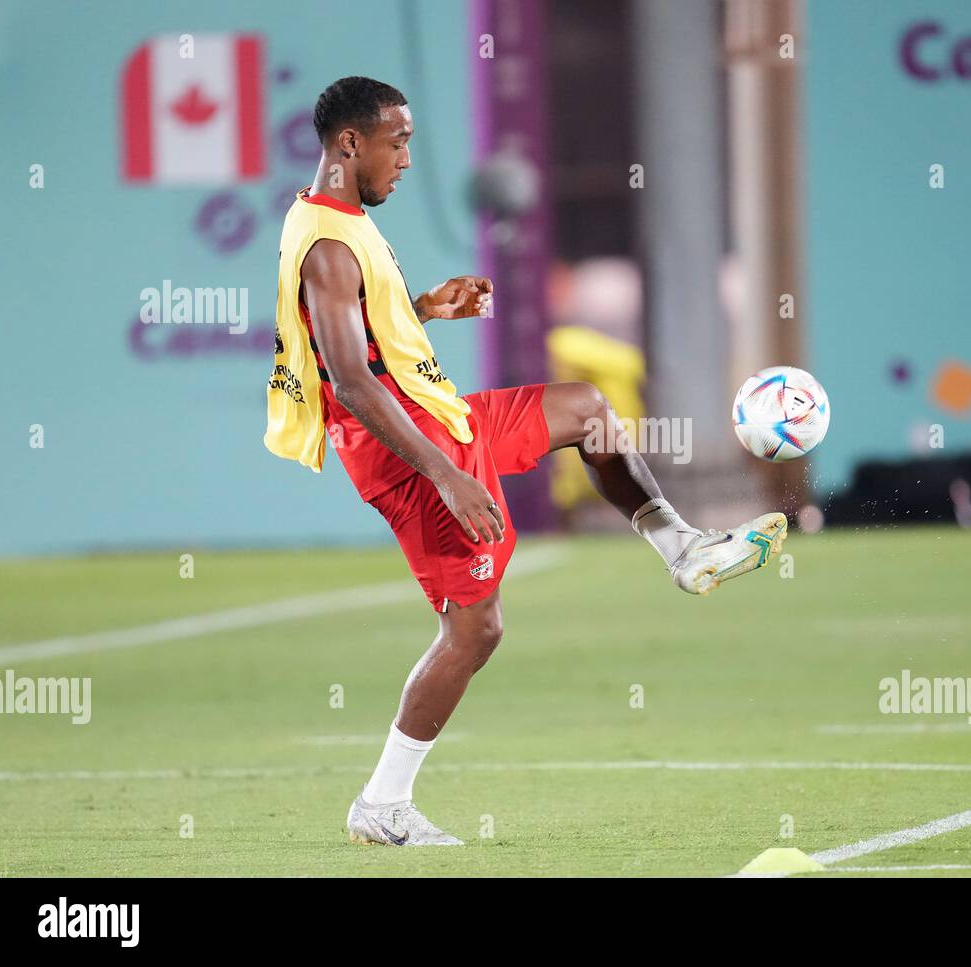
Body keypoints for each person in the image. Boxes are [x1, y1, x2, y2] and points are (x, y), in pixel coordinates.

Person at [264, 76, 787, 846]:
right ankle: (382, 803)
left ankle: (682, 548)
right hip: (406, 454)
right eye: (397, 140)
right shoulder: (330, 247)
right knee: (475, 631)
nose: (408, 157)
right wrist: (444, 474)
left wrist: (428, 306)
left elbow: (365, 331)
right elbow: (348, 379)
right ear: (349, 144)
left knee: (587, 409)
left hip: (438, 416)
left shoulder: (338, 221)